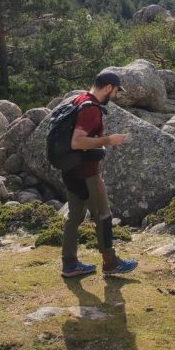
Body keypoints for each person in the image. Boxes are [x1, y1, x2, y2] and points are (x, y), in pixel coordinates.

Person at [61, 70, 139, 278]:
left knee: (74, 217)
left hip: (70, 170)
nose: (114, 95)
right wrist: (108, 140)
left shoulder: (78, 100)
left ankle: (69, 264)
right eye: (114, 91)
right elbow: (77, 141)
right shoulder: (91, 110)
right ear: (107, 88)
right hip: (87, 174)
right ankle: (110, 262)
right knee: (104, 216)